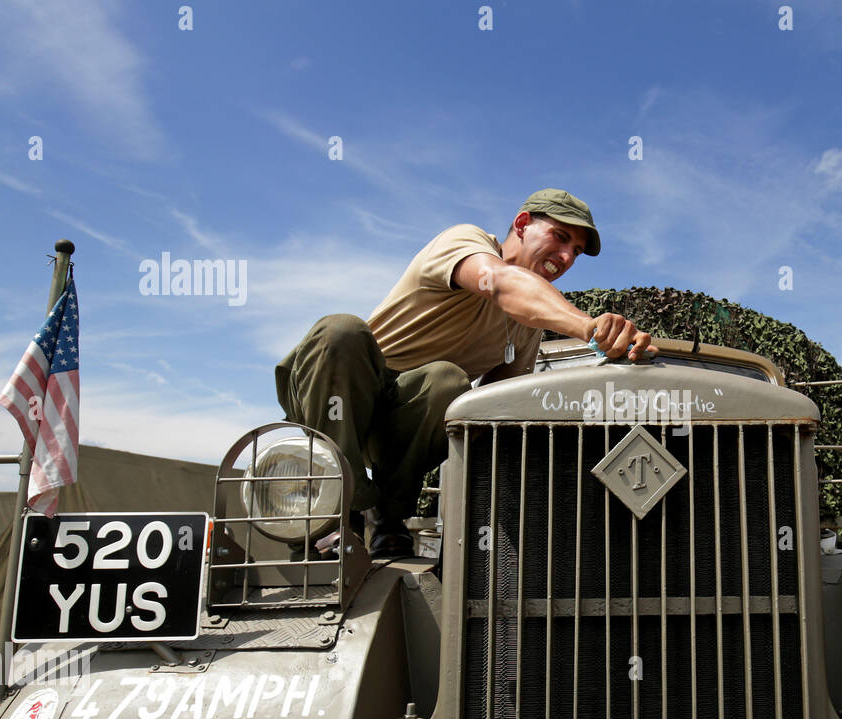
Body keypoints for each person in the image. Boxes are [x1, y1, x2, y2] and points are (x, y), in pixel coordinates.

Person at [275, 189, 656, 558]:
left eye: (575, 251)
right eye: (560, 237)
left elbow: (495, 407)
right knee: (341, 331)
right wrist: (592, 328)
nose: (566, 256)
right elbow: (502, 283)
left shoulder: (527, 327)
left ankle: (389, 517)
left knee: (449, 383)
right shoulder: (467, 242)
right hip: (338, 392)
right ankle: (332, 517)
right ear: (522, 224)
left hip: (403, 425)